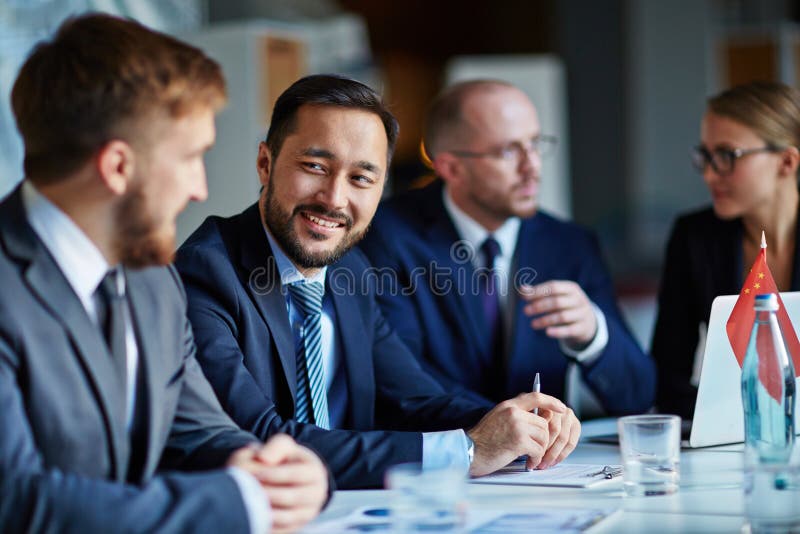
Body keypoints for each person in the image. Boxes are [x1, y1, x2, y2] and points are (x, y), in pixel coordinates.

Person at [0, 13, 329, 533]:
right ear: (117, 167)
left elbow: (199, 432)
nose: (200, 189)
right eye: (192, 157)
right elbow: (18, 502)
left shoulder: (153, 280)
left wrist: (272, 471)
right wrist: (235, 501)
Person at [175, 74, 581, 490]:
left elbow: (417, 400)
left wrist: (519, 423)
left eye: (361, 178)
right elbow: (258, 439)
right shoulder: (205, 272)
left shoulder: (353, 270)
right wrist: (468, 452)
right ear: (266, 163)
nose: (334, 198)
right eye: (315, 167)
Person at [359, 80, 655, 415]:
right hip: (438, 458)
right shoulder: (385, 235)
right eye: (508, 152)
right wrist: (505, 429)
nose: (533, 167)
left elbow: (638, 396)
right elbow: (402, 382)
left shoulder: (571, 245)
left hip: (551, 464)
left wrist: (593, 335)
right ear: (452, 168)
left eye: (535, 144)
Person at [652, 80, 800, 419]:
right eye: (706, 156)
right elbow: (667, 375)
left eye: (727, 156)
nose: (709, 174)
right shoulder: (694, 237)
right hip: (735, 439)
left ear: (787, 163)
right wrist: (722, 424)